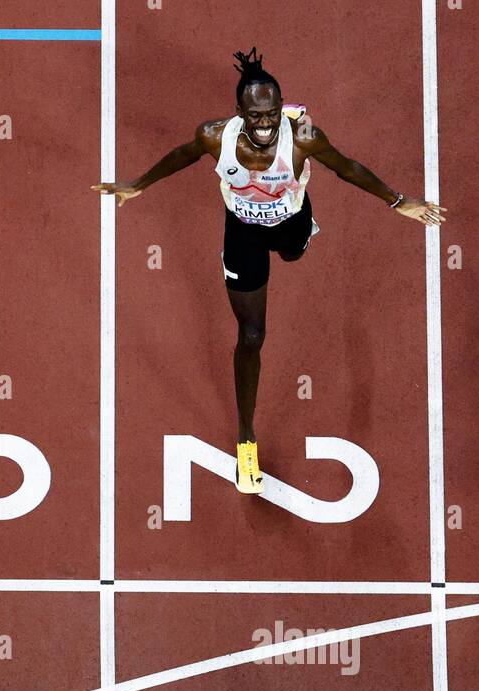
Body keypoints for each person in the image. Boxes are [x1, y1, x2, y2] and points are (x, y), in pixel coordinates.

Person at [93, 46, 446, 494]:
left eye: (273, 113)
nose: (264, 123)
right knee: (252, 336)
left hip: (290, 222)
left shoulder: (302, 140)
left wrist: (400, 203)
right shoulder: (213, 137)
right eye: (256, 114)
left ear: (281, 110)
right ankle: (246, 438)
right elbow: (182, 156)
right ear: (239, 111)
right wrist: (137, 185)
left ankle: (296, 234)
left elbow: (348, 169)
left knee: (295, 253)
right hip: (242, 232)